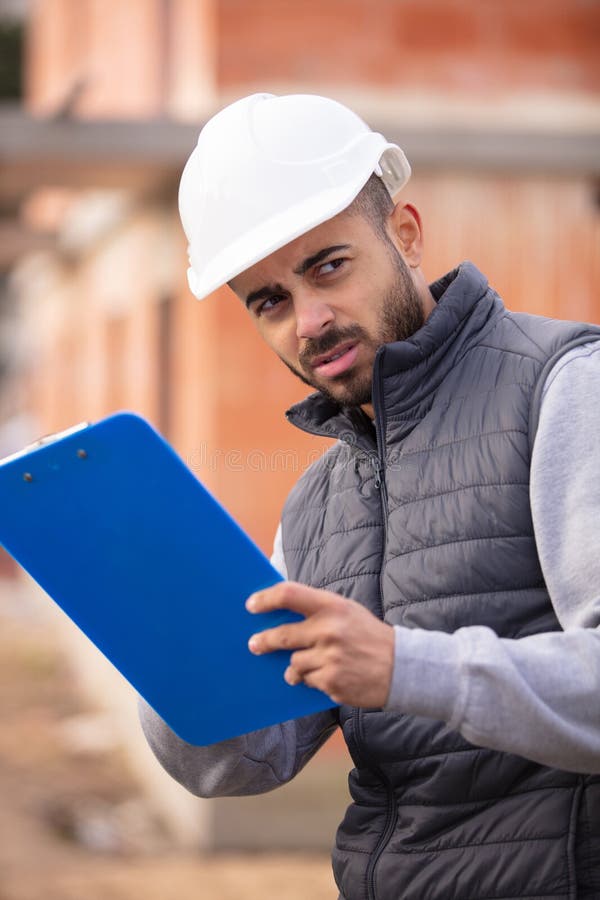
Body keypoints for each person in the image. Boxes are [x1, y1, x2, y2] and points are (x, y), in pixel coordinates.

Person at [140, 93, 600, 899]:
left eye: (328, 265)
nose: (309, 321)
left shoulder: (564, 388)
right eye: (270, 301)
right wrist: (159, 658)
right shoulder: (314, 504)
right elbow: (246, 760)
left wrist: (404, 666)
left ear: (406, 235)